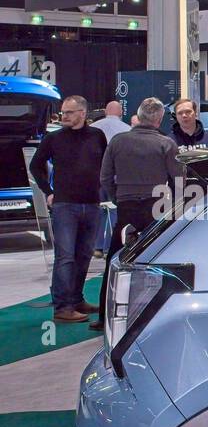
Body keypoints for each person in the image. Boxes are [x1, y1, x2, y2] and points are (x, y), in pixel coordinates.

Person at [95, 97, 183, 331]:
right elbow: (178, 182)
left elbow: (104, 177)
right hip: (155, 207)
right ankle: (151, 315)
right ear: (159, 119)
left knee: (115, 257)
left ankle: (103, 317)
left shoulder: (118, 141)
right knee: (156, 259)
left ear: (139, 115)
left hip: (126, 206)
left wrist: (117, 197)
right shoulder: (166, 144)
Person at [28, 95, 107, 324]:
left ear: (82, 113)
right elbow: (36, 166)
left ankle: (76, 298)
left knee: (83, 255)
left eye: (69, 113)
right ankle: (62, 306)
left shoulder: (97, 136)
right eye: (63, 112)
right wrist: (48, 191)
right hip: (65, 205)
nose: (64, 116)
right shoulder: (54, 138)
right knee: (65, 257)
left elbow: (105, 162)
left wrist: (102, 186)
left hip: (91, 204)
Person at [91, 100, 130, 257]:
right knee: (114, 211)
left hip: (95, 176)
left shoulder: (93, 128)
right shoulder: (127, 130)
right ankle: (110, 247)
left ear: (106, 111)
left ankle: (97, 246)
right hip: (118, 176)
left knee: (98, 211)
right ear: (121, 112)